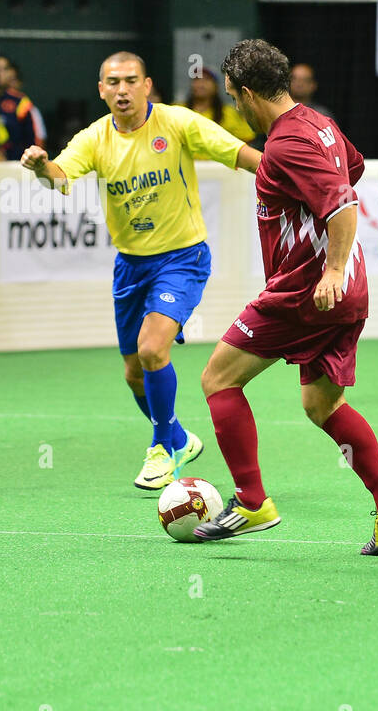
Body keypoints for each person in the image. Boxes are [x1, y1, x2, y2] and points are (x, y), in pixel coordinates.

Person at [192, 38, 378, 556]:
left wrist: (331, 268)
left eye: (232, 95)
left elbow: (342, 202)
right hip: (345, 290)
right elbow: (350, 169)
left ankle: (252, 503)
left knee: (218, 379)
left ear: (247, 93)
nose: (234, 105)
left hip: (307, 289)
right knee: (322, 403)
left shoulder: (286, 143)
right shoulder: (319, 123)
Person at [20, 51, 262, 491]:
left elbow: (241, 154)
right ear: (101, 90)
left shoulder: (177, 123)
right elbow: (59, 177)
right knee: (134, 373)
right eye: (113, 82)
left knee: (152, 350)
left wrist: (294, 177)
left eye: (131, 80)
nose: (122, 90)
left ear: (147, 85)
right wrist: (40, 167)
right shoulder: (94, 138)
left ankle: (162, 448)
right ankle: (180, 438)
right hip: (130, 266)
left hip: (182, 258)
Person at [176, 67, 255, 142]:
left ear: (216, 86)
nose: (201, 84)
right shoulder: (178, 109)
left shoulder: (228, 112)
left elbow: (247, 138)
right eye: (197, 79)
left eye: (207, 79)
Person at [0, 55, 44, 160]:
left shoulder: (21, 102)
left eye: (3, 69)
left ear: (11, 73)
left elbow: (35, 141)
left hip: (14, 163)